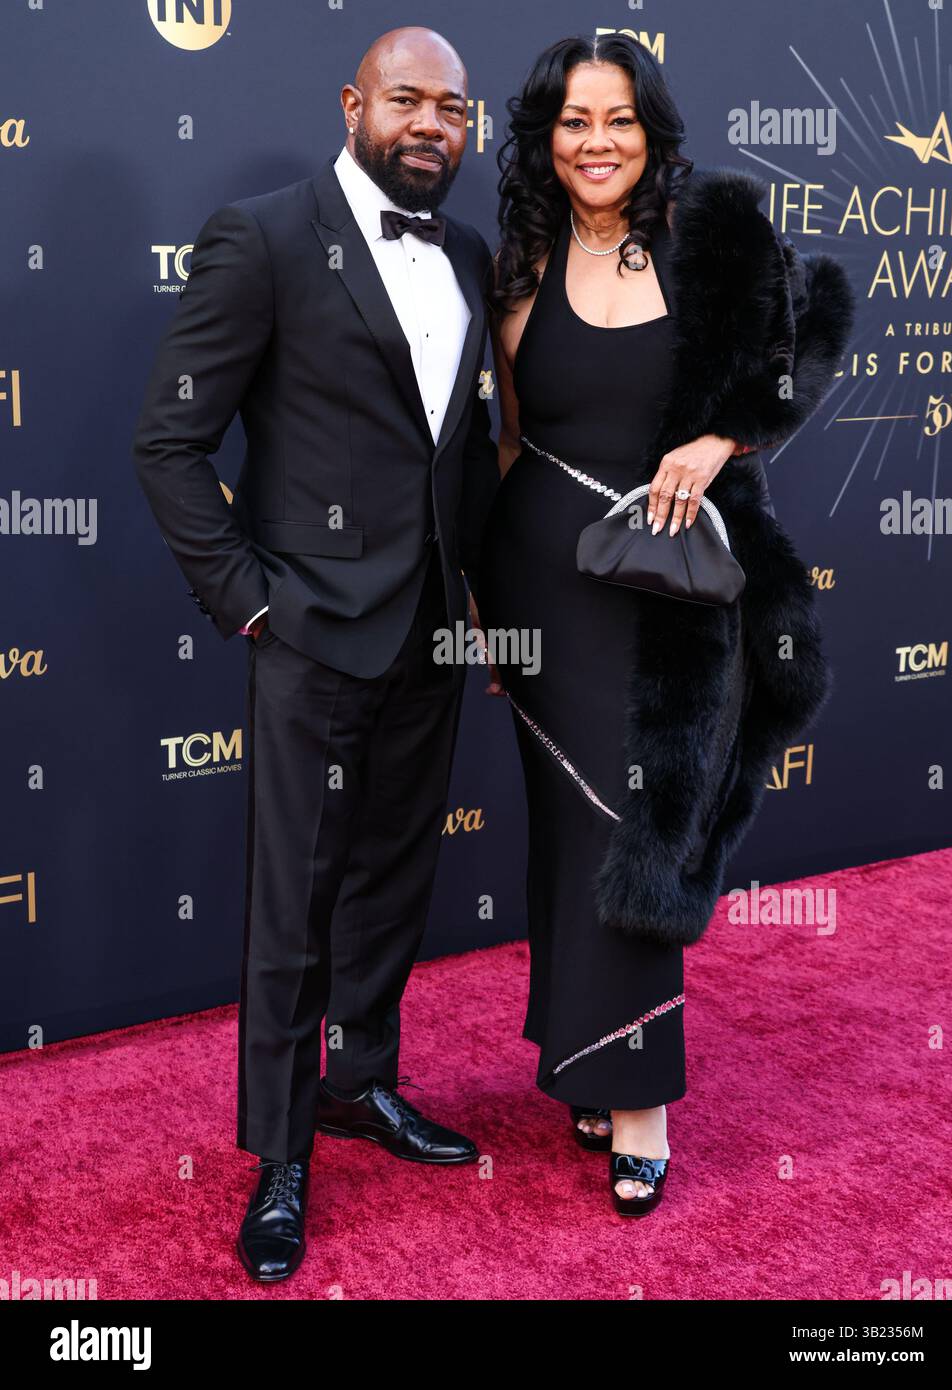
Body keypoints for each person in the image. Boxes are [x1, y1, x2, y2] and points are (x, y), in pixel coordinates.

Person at [132, 27, 498, 1280]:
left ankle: (363, 1083)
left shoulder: (469, 254)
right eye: (406, 100)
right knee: (292, 904)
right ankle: (282, 1150)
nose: (430, 126)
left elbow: (459, 460)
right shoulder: (266, 238)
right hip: (309, 635)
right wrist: (248, 602)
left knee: (391, 882)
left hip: (433, 634)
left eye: (452, 109)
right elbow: (169, 444)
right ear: (352, 104)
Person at [478, 33, 854, 1215]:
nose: (596, 143)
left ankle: (637, 1094)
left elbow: (814, 336)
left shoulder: (715, 231)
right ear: (546, 136)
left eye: (618, 119)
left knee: (642, 818)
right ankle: (587, 1056)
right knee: (566, 825)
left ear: (653, 131)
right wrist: (489, 608)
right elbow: (502, 444)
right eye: (573, 121)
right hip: (542, 576)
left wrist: (722, 436)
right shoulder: (520, 263)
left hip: (674, 587)